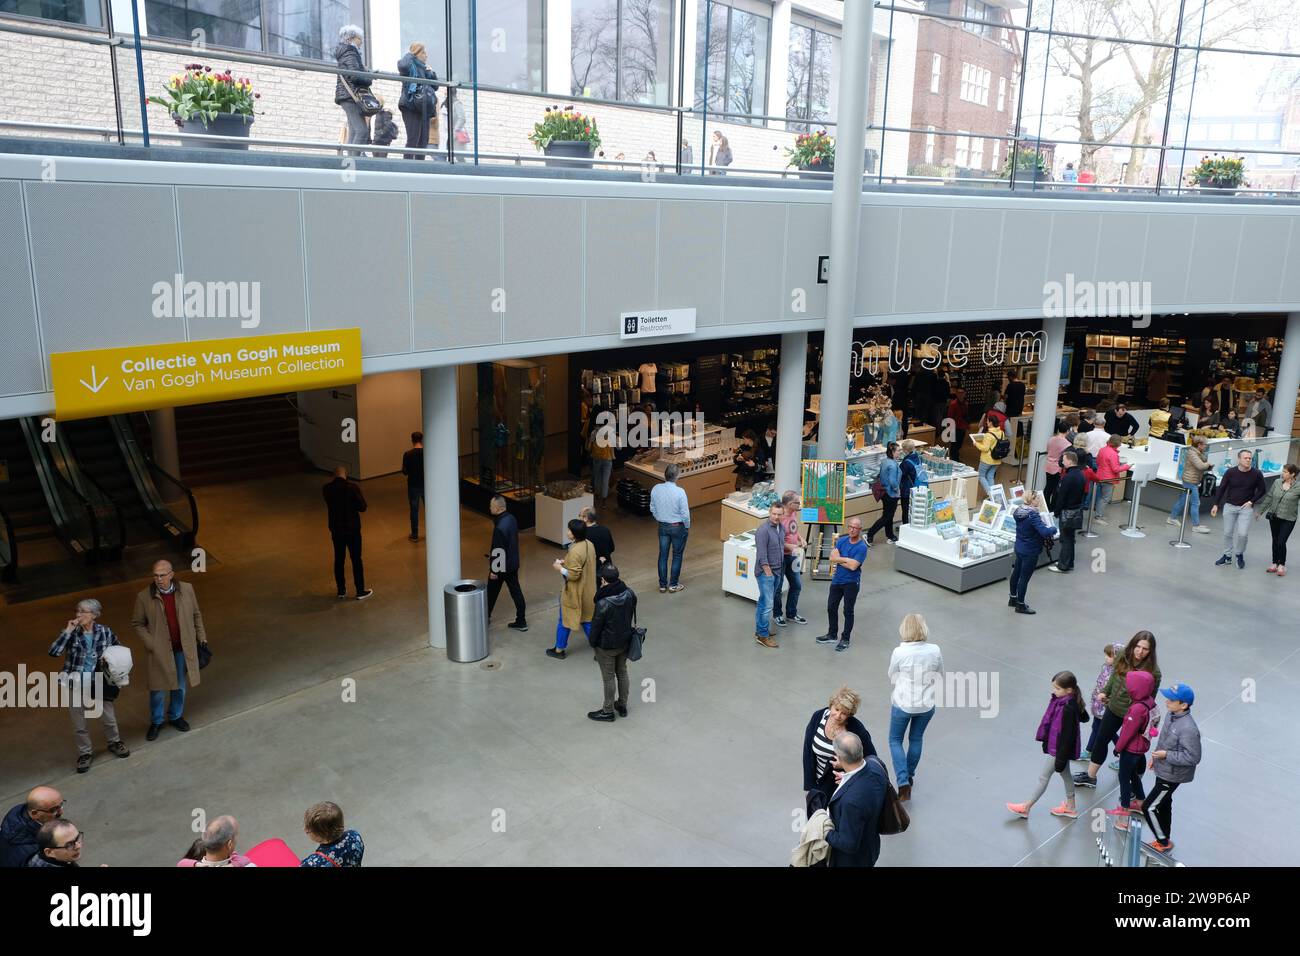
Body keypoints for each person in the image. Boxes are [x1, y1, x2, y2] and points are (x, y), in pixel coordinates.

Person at [131, 559, 210, 741]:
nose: (158, 579)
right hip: (159, 652)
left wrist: (202, 637)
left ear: (171, 574)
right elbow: (137, 623)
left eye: (162, 575)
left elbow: (196, 614)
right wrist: (151, 644)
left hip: (182, 648)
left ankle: (175, 716)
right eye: (155, 575)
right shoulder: (144, 597)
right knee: (157, 688)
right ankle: (156, 721)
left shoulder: (187, 589)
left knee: (180, 686)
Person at [49, 598, 129, 773]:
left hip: (99, 680)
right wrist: (67, 631)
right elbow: (54, 652)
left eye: (83, 611)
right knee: (79, 721)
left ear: (94, 615)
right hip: (75, 682)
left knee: (108, 716)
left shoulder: (105, 631)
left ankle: (114, 742)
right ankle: (85, 753)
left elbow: (119, 650)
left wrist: (110, 660)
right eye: (77, 611)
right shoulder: (73, 633)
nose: (78, 615)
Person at [1074, 631, 1161, 789]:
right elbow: (1115, 675)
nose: (1140, 651)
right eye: (1137, 646)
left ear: (1151, 651)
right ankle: (1090, 776)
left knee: (1135, 750)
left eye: (1145, 649)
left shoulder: (1154, 672)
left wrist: (1140, 715)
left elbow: (1150, 698)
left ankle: (1136, 788)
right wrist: (1106, 692)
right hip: (1114, 707)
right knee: (1101, 740)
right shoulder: (1123, 654)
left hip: (1134, 715)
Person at [1005, 671, 1088, 820]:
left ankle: (1026, 807)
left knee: (1043, 778)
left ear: (1069, 690)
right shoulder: (1069, 701)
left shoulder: (1068, 708)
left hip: (1059, 750)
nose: (1053, 691)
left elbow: (1067, 736)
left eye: (1057, 688)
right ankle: (1071, 807)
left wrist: (1060, 759)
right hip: (1057, 748)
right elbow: (1083, 716)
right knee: (1066, 775)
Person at [1139, 683, 1202, 853]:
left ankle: (1163, 841)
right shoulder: (1171, 714)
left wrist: (1165, 755)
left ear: (1184, 705)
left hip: (1173, 775)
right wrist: (1156, 758)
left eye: (1171, 700)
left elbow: (1193, 757)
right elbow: (1164, 741)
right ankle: (1164, 836)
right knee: (1165, 803)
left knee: (1149, 807)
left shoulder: (1188, 729)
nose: (1166, 701)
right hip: (1164, 768)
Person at [887, 613, 943, 802]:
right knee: (916, 738)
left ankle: (902, 782)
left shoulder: (899, 652)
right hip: (926, 704)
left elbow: (891, 674)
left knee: (895, 741)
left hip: (903, 703)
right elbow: (940, 674)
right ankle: (909, 777)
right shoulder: (935, 650)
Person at [802, 687, 877, 816]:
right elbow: (807, 752)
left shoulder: (856, 729)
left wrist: (845, 765)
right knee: (816, 823)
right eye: (836, 709)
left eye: (844, 713)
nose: (838, 716)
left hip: (843, 788)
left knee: (834, 825)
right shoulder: (818, 717)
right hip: (818, 785)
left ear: (850, 714)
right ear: (831, 706)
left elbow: (872, 760)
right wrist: (809, 787)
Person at [824, 732, 888, 868]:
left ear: (840, 757)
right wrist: (848, 778)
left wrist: (824, 831)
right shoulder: (876, 765)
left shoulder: (851, 802)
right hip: (871, 848)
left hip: (851, 861)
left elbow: (848, 844)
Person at [586, 563, 637, 722]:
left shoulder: (603, 602)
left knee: (608, 678)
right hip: (625, 640)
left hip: (606, 645)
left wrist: (593, 643)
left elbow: (596, 627)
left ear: (603, 580)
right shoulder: (629, 593)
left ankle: (608, 711)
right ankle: (622, 704)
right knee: (622, 672)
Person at [1109, 670, 1157, 831]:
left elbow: (1128, 731)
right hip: (1141, 748)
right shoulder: (1150, 702)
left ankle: (1122, 818)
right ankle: (1141, 802)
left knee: (1124, 779)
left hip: (1130, 749)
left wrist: (1118, 748)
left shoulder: (1137, 709)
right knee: (1133, 775)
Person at [816, 517, 868, 652]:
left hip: (851, 582)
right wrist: (846, 560)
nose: (851, 529)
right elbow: (831, 558)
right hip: (837, 580)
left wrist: (839, 559)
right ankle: (832, 634)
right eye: (850, 526)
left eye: (855, 527)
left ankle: (845, 638)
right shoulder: (842, 540)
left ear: (860, 529)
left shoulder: (862, 547)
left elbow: (853, 567)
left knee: (848, 611)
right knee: (831, 607)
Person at [548, 519, 596, 660]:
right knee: (587, 620)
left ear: (574, 534)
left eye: (569, 530)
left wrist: (560, 568)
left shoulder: (575, 550)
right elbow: (582, 564)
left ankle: (559, 649)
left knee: (564, 620)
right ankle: (600, 649)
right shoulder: (589, 544)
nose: (567, 532)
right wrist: (566, 562)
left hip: (575, 592)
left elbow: (574, 575)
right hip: (589, 590)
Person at [321, 467, 372, 600]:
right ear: (346, 476)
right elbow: (363, 507)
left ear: (333, 476)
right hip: (352, 529)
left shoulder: (326, 489)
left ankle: (341, 591)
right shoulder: (352, 488)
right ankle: (360, 591)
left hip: (336, 529)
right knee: (356, 559)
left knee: (339, 559)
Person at [1211, 450, 1266, 569]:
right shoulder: (1230, 472)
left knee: (1243, 534)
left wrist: (1251, 501)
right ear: (1239, 459)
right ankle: (1227, 556)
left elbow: (1262, 490)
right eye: (1245, 458)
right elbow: (1222, 488)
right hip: (1230, 506)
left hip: (1245, 508)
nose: (1248, 460)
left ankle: (1239, 554)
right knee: (1227, 533)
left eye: (1250, 458)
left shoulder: (1256, 473)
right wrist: (1216, 504)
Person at [1009, 492, 1056, 614]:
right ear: (1032, 500)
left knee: (1016, 573)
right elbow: (1044, 532)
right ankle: (1020, 605)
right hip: (1030, 550)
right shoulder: (1033, 515)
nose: (1039, 501)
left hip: (1019, 547)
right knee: (1024, 578)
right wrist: (1053, 528)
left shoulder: (1019, 511)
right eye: (1037, 499)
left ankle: (1012, 598)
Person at [487, 495, 527, 631]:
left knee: (491, 593)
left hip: (501, 567)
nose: (489, 508)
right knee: (516, 591)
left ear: (498, 508)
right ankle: (521, 620)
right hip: (512, 564)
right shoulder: (511, 519)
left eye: (491, 506)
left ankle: (484, 618)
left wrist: (494, 570)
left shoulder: (500, 527)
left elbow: (498, 550)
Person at [1078, 643, 1122, 764]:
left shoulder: (1119, 674)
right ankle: (1089, 751)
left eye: (1109, 656)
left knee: (1110, 733)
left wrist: (1106, 700)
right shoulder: (1105, 667)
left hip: (1108, 708)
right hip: (1099, 706)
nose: (1106, 658)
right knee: (1095, 728)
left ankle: (1122, 754)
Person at [650, 463, 690, 593]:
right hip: (678, 526)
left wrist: (659, 518)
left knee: (663, 555)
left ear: (665, 475)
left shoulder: (656, 488)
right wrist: (687, 526)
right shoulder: (680, 492)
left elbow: (652, 507)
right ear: (677, 476)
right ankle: (673, 584)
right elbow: (685, 513)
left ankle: (662, 585)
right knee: (677, 555)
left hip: (663, 526)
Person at [0, 787, 64, 867]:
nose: (61, 812)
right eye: (53, 810)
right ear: (34, 813)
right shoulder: (36, 855)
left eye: (61, 804)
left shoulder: (18, 814)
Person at [333, 25, 372, 154]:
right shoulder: (350, 52)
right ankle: (353, 162)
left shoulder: (346, 52)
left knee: (354, 131)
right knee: (362, 131)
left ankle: (350, 162)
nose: (361, 42)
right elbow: (354, 75)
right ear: (352, 38)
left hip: (347, 95)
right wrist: (369, 78)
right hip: (350, 95)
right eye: (360, 38)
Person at [772, 491, 808, 627]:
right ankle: (777, 614)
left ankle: (791, 613)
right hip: (780, 557)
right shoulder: (780, 518)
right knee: (778, 587)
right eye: (797, 502)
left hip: (792, 556)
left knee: (796, 585)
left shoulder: (794, 513)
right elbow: (777, 540)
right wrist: (792, 546)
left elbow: (794, 530)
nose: (799, 504)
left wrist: (800, 538)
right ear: (789, 504)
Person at [1258, 462, 1300, 576]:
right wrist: (1260, 511)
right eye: (1283, 471)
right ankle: (1274, 563)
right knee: (1275, 540)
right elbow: (1270, 497)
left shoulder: (1298, 487)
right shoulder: (1277, 482)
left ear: (1292, 474)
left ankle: (1282, 564)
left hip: (1289, 519)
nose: (1283, 473)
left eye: (1285, 472)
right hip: (1274, 516)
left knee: (1281, 541)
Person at [397, 42, 438, 159]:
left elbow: (435, 86)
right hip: (410, 105)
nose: (426, 55)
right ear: (417, 53)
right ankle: (408, 168)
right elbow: (402, 65)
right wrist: (411, 54)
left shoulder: (424, 68)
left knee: (423, 141)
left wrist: (430, 71)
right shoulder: (409, 65)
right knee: (413, 139)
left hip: (424, 107)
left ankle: (420, 168)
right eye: (423, 52)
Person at [753, 503, 785, 649]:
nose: (776, 517)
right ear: (769, 513)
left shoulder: (781, 528)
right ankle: (763, 636)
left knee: (763, 602)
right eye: (774, 514)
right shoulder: (763, 531)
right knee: (767, 605)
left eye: (779, 514)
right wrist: (768, 572)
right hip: (767, 573)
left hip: (778, 571)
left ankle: (761, 630)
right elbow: (761, 554)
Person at [1049, 450, 1086, 573]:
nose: (1062, 461)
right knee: (1070, 538)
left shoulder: (1068, 477)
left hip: (1067, 511)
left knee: (1065, 539)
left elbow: (1061, 497)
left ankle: (1063, 565)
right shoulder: (1081, 474)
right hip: (1076, 510)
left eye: (1064, 459)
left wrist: (1056, 511)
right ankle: (1069, 562)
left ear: (1069, 461)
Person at [1167, 435, 1212, 533]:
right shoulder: (1192, 453)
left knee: (1182, 501)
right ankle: (1196, 526)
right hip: (1190, 481)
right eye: (1205, 445)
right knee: (1196, 503)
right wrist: (1208, 465)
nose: (1206, 447)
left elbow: (1202, 463)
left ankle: (1172, 518)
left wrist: (1207, 465)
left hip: (1192, 480)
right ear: (1199, 445)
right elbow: (1200, 466)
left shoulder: (1197, 453)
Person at [300, 802, 365, 867]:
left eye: (308, 830)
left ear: (323, 833)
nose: (305, 829)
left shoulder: (312, 863)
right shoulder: (354, 836)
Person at [177, 816, 255, 867]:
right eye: (236, 834)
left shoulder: (192, 863)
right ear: (229, 844)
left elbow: (181, 863)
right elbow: (244, 859)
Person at [1086, 434, 1131, 524]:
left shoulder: (1102, 450)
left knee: (1101, 497)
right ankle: (1098, 516)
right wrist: (1126, 466)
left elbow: (1098, 462)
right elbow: (1115, 469)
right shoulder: (1114, 454)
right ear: (1118, 443)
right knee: (1105, 498)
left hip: (1099, 476)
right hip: (1108, 479)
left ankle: (1099, 514)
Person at [867, 442, 901, 544]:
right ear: (893, 452)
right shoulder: (893, 465)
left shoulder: (885, 461)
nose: (900, 452)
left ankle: (890, 535)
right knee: (886, 516)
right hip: (891, 494)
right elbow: (892, 480)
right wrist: (897, 489)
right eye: (898, 451)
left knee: (889, 515)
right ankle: (869, 534)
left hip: (884, 492)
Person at [970, 414, 1007, 497]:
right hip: (997, 459)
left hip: (987, 460)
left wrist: (976, 444)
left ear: (991, 422)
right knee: (990, 476)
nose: (986, 422)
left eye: (987, 421)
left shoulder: (988, 435)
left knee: (981, 476)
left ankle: (990, 494)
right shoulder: (1001, 433)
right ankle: (994, 495)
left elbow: (985, 448)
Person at [1044, 418, 1071, 511]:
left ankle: (1044, 506)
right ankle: (1052, 508)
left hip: (1048, 465)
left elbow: (1048, 450)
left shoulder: (1051, 439)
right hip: (1058, 468)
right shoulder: (1067, 444)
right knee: (1056, 489)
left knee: (1048, 487)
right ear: (1067, 431)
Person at [401, 431, 424, 541]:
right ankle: (433, 532)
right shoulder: (427, 453)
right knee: (429, 510)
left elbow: (404, 471)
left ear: (412, 440)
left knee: (414, 510)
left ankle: (415, 535)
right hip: (426, 485)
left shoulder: (408, 454)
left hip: (413, 485)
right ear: (421, 440)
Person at [588, 417, 615, 505]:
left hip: (596, 458)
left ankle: (596, 495)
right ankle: (604, 500)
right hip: (607, 458)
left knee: (597, 477)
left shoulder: (594, 432)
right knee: (605, 479)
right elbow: (618, 447)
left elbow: (589, 447)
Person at [898, 443, 927, 523]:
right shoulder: (917, 457)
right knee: (914, 508)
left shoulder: (906, 462)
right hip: (917, 487)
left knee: (906, 510)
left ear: (905, 450)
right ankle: (913, 524)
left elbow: (900, 475)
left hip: (907, 489)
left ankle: (905, 526)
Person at [946, 386, 969, 460]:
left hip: (962, 427)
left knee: (959, 444)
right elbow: (949, 417)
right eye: (958, 392)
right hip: (955, 427)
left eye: (962, 393)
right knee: (954, 444)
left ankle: (955, 457)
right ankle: (954, 458)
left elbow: (966, 415)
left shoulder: (965, 403)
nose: (960, 394)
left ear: (965, 393)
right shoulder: (953, 404)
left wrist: (967, 425)